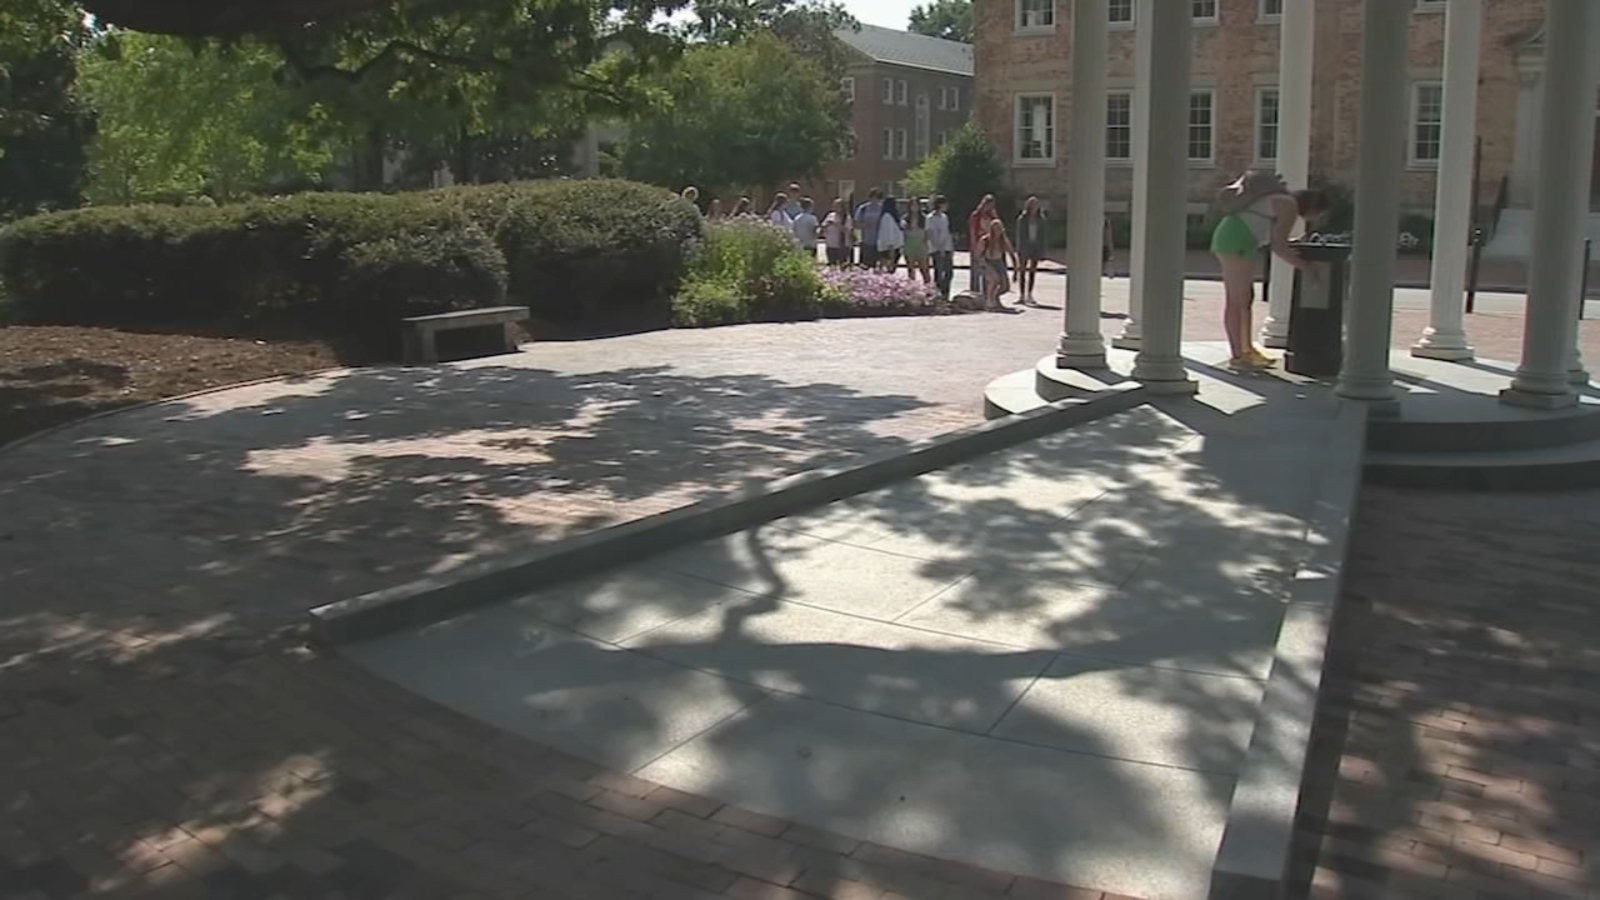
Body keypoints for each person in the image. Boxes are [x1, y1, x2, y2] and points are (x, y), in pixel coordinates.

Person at [1209, 175, 1330, 370]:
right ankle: (1239, 356)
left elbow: (1275, 239)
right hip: (1236, 239)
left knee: (1245, 298)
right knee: (1237, 300)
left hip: (1238, 237)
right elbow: (1279, 247)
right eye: (1320, 214)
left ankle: (1246, 349)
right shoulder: (1288, 205)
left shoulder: (1282, 200)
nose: (1319, 219)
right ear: (1314, 208)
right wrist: (1307, 268)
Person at [978, 217, 1020, 313]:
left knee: (1005, 286)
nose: (997, 231)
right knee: (994, 280)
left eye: (999, 229)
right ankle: (989, 302)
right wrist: (985, 266)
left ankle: (995, 298)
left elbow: (1012, 254)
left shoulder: (1003, 241)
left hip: (999, 262)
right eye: (995, 229)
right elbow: (978, 255)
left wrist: (1015, 271)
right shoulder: (985, 240)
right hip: (987, 262)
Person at [1015, 196, 1047, 306]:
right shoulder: (1022, 219)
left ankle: (1030, 294)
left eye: (1036, 205)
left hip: (1035, 247)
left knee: (1032, 271)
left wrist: (1042, 251)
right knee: (1022, 271)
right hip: (1025, 247)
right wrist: (1019, 249)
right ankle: (1021, 295)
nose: (1034, 207)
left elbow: (1043, 236)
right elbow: (1019, 235)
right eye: (1032, 205)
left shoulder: (1041, 220)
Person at [967, 194, 998, 295]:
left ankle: (986, 294)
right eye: (988, 205)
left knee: (987, 271)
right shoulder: (975, 215)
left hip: (988, 245)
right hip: (977, 244)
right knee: (976, 271)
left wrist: (995, 216)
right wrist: (974, 247)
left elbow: (997, 227)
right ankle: (974, 293)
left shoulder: (991, 216)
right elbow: (972, 231)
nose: (989, 207)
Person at [927, 195, 956, 300]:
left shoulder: (944, 217)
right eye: (945, 204)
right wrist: (939, 248)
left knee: (949, 272)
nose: (946, 206)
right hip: (937, 248)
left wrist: (951, 248)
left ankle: (945, 294)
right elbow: (931, 234)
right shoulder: (931, 218)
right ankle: (938, 293)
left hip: (947, 247)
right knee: (938, 272)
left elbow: (947, 233)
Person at [854, 188, 884, 269]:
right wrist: (865, 225)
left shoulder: (883, 208)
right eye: (873, 197)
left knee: (877, 266)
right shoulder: (863, 208)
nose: (874, 200)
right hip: (866, 240)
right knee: (865, 265)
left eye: (877, 198)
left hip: (879, 240)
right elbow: (856, 223)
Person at [902, 198, 931, 284]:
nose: (914, 207)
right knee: (911, 269)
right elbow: (903, 231)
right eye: (912, 205)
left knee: (924, 268)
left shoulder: (924, 218)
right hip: (909, 244)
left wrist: (925, 242)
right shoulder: (905, 218)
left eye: (916, 205)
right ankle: (912, 288)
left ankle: (928, 288)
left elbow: (928, 232)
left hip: (921, 244)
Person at [876, 197, 905, 273]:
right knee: (889, 270)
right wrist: (891, 251)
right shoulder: (887, 217)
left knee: (891, 270)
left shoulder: (893, 217)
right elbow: (889, 233)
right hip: (890, 248)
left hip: (895, 247)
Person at [822, 198, 852, 268]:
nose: (835, 207)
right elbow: (823, 226)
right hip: (830, 244)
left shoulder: (846, 217)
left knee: (842, 265)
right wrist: (826, 225)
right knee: (832, 265)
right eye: (834, 205)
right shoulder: (830, 215)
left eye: (837, 205)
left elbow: (847, 230)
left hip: (842, 245)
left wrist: (836, 224)